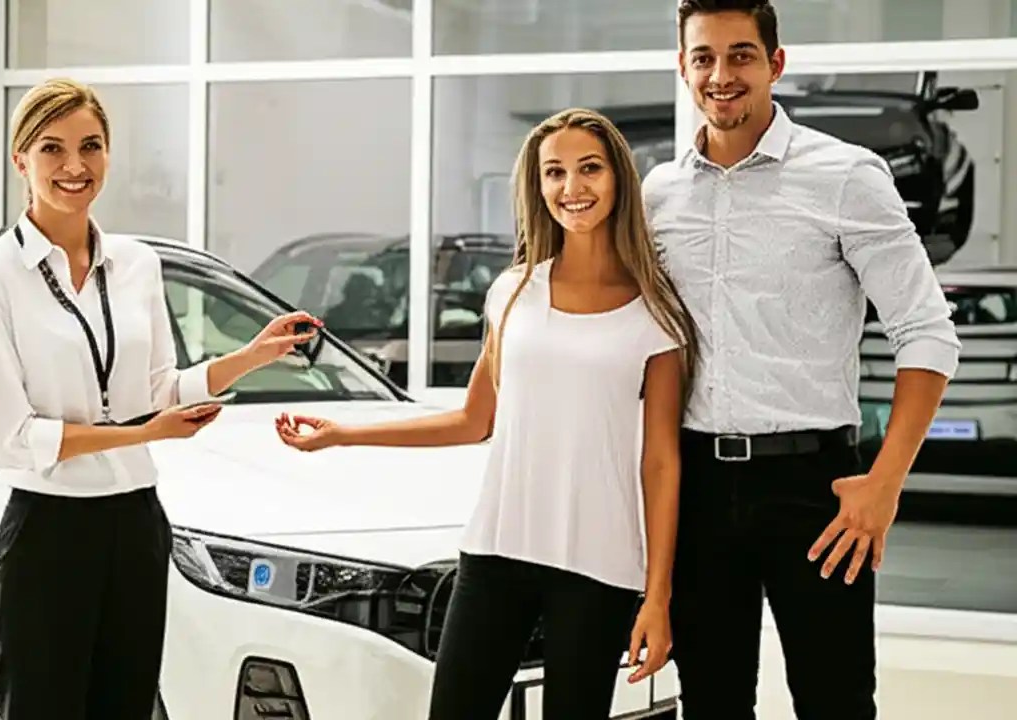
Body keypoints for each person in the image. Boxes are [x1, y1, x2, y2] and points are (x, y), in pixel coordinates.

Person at [275, 108, 698, 719]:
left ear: (619, 181)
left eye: (589, 169)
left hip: (601, 566)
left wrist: (658, 596)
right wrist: (344, 433)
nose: (572, 188)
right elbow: (474, 420)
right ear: (537, 185)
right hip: (497, 553)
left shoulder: (655, 314)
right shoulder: (514, 291)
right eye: (554, 172)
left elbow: (661, 462)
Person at [0, 77, 320, 720]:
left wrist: (251, 355)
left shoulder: (137, 263)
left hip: (137, 525)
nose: (75, 166)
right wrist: (147, 435)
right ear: (20, 161)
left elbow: (155, 391)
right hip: (48, 530)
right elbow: (9, 438)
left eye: (91, 146)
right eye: (52, 148)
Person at [642, 2, 962, 719]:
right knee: (712, 703)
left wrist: (885, 483)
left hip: (814, 489)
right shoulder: (657, 194)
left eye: (741, 55)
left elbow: (927, 332)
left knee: (836, 701)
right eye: (704, 58)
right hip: (693, 490)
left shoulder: (846, 175)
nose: (722, 76)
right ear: (684, 67)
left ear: (775, 64)